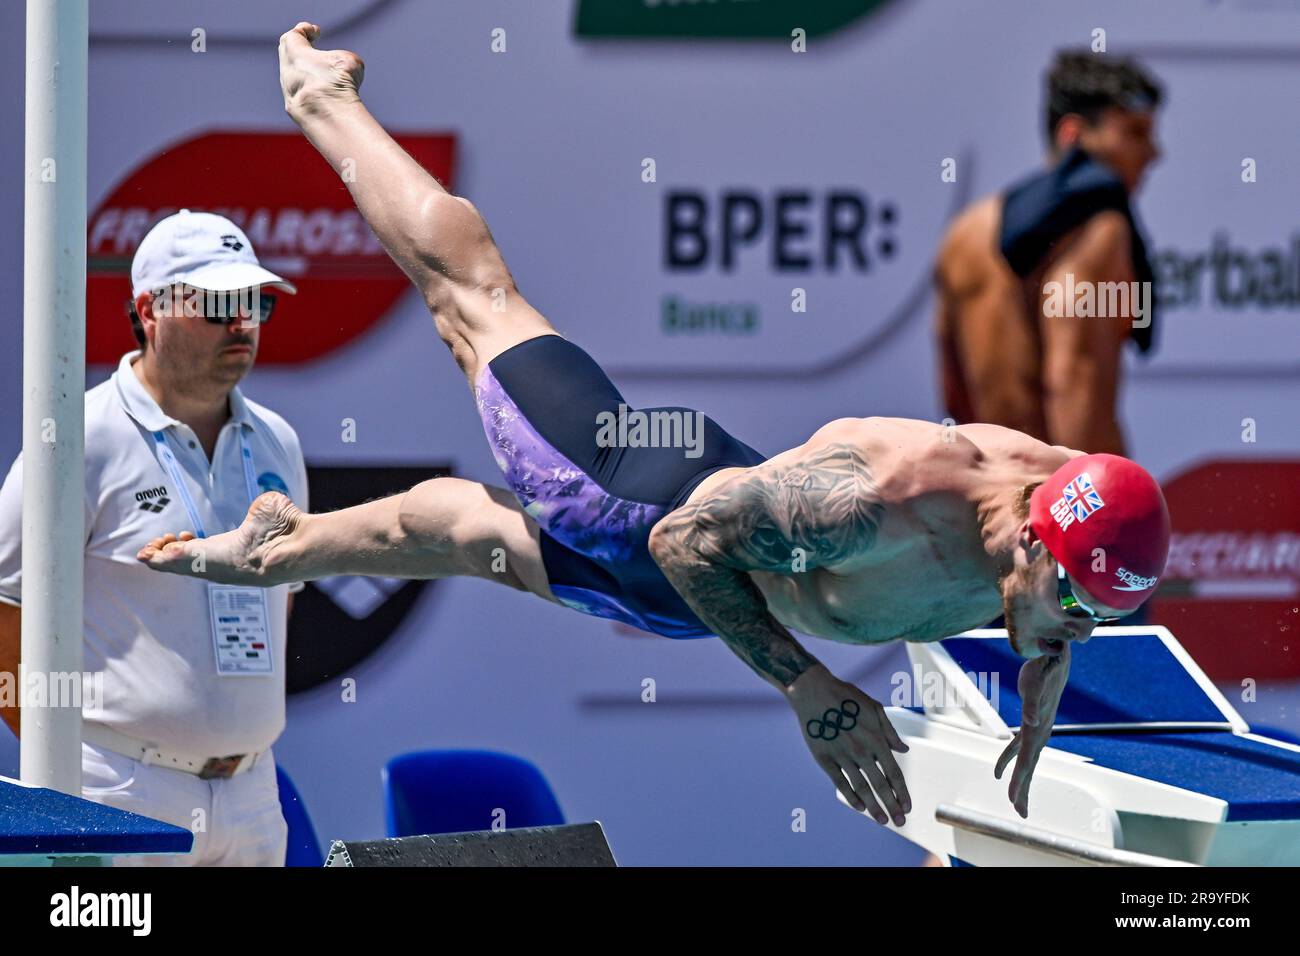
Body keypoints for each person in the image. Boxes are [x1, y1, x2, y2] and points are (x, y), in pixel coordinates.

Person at [138, 24, 1171, 826]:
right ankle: (322, 101)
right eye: (1071, 603)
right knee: (475, 295)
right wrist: (811, 691)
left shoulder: (1071, 512)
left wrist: (1049, 659)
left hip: (713, 580)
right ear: (1031, 532)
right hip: (643, 487)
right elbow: (684, 541)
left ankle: (285, 544)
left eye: (1093, 614)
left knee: (473, 544)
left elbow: (1073, 565)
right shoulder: (885, 493)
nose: (1073, 625)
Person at [0, 209, 307, 865]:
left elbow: (282, 598)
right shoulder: (78, 437)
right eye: (220, 303)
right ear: (149, 308)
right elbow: (6, 610)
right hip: (119, 790)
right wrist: (64, 779)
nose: (243, 323)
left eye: (254, 303)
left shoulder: (279, 440)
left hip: (253, 791)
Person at [934, 51, 1163, 456]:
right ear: (1072, 134)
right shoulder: (1102, 232)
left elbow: (954, 393)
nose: (1153, 152)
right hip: (1067, 500)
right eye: (1135, 131)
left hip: (985, 499)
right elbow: (1073, 380)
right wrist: (1085, 507)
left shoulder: (963, 235)